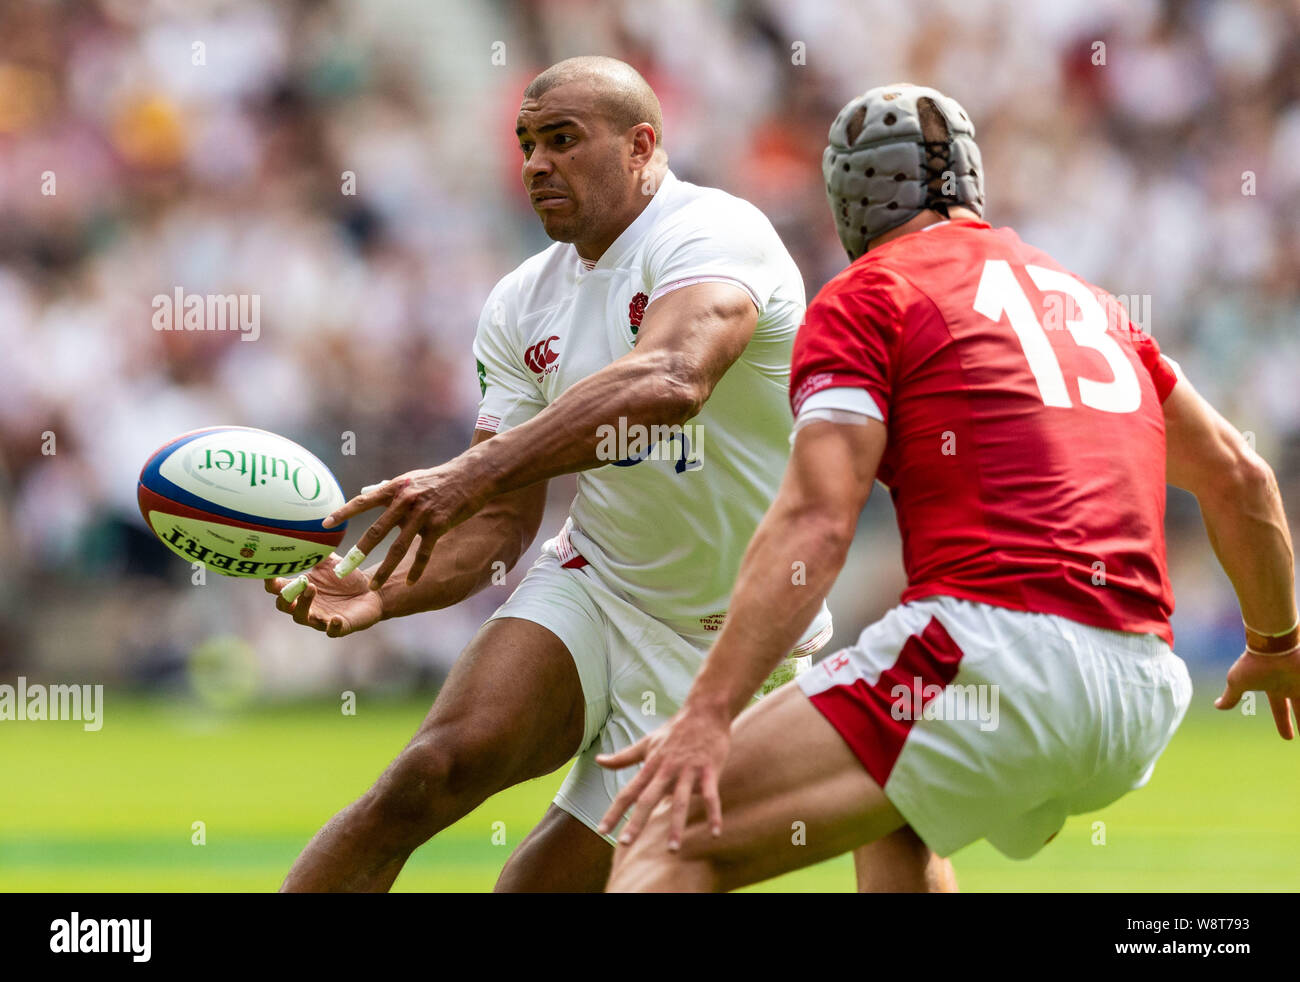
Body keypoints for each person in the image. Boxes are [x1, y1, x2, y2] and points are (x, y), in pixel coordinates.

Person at [266, 58, 948, 892]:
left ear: (641, 146)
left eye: (562, 139)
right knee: (426, 776)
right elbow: (499, 526)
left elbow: (673, 381)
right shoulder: (522, 301)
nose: (537, 164)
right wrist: (380, 589)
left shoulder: (714, 233)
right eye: (526, 144)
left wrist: (472, 469)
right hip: (599, 585)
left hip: (731, 644)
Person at [598, 83, 1300, 892]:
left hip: (996, 655)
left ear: (849, 198)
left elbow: (819, 521)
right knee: (895, 815)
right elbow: (1242, 478)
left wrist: (708, 712)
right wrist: (1276, 647)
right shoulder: (1093, 305)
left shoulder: (870, 293)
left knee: (671, 831)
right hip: (1141, 684)